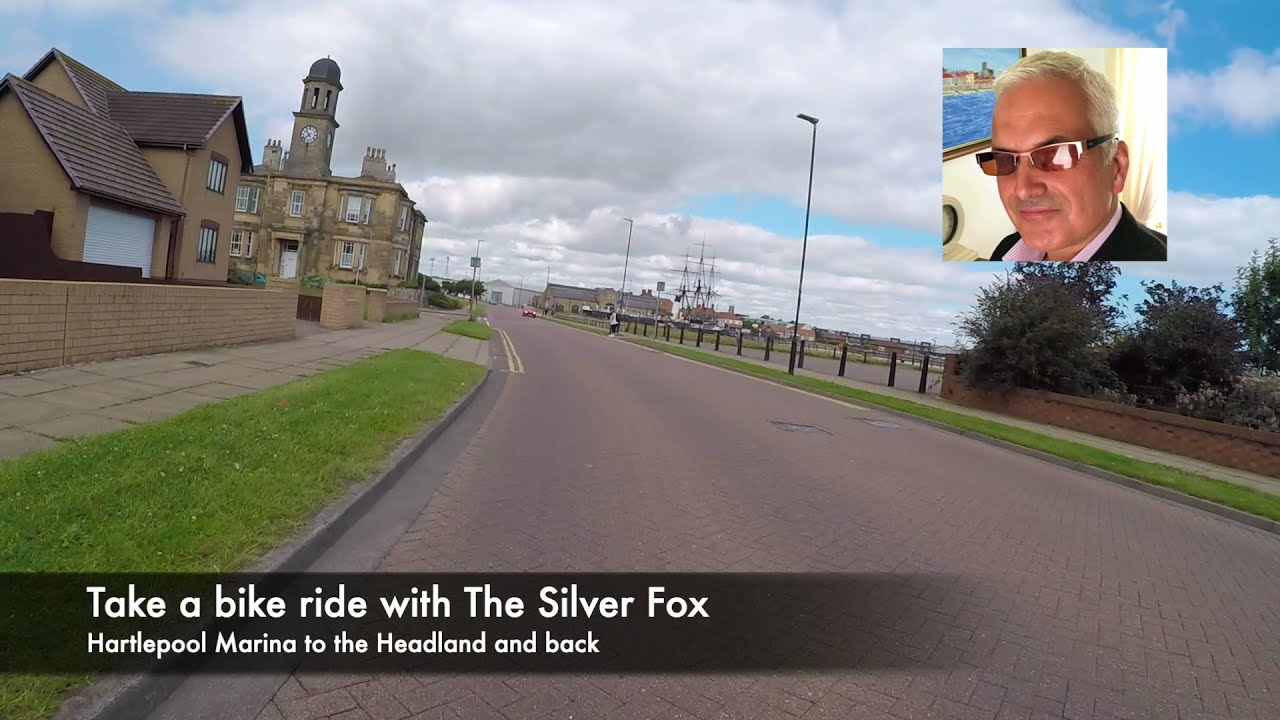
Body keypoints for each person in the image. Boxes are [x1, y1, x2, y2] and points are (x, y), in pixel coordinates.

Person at [976, 51, 1166, 262]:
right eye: (1004, 160)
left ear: (1117, 166)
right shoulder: (1006, 250)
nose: (1023, 190)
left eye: (1056, 154)